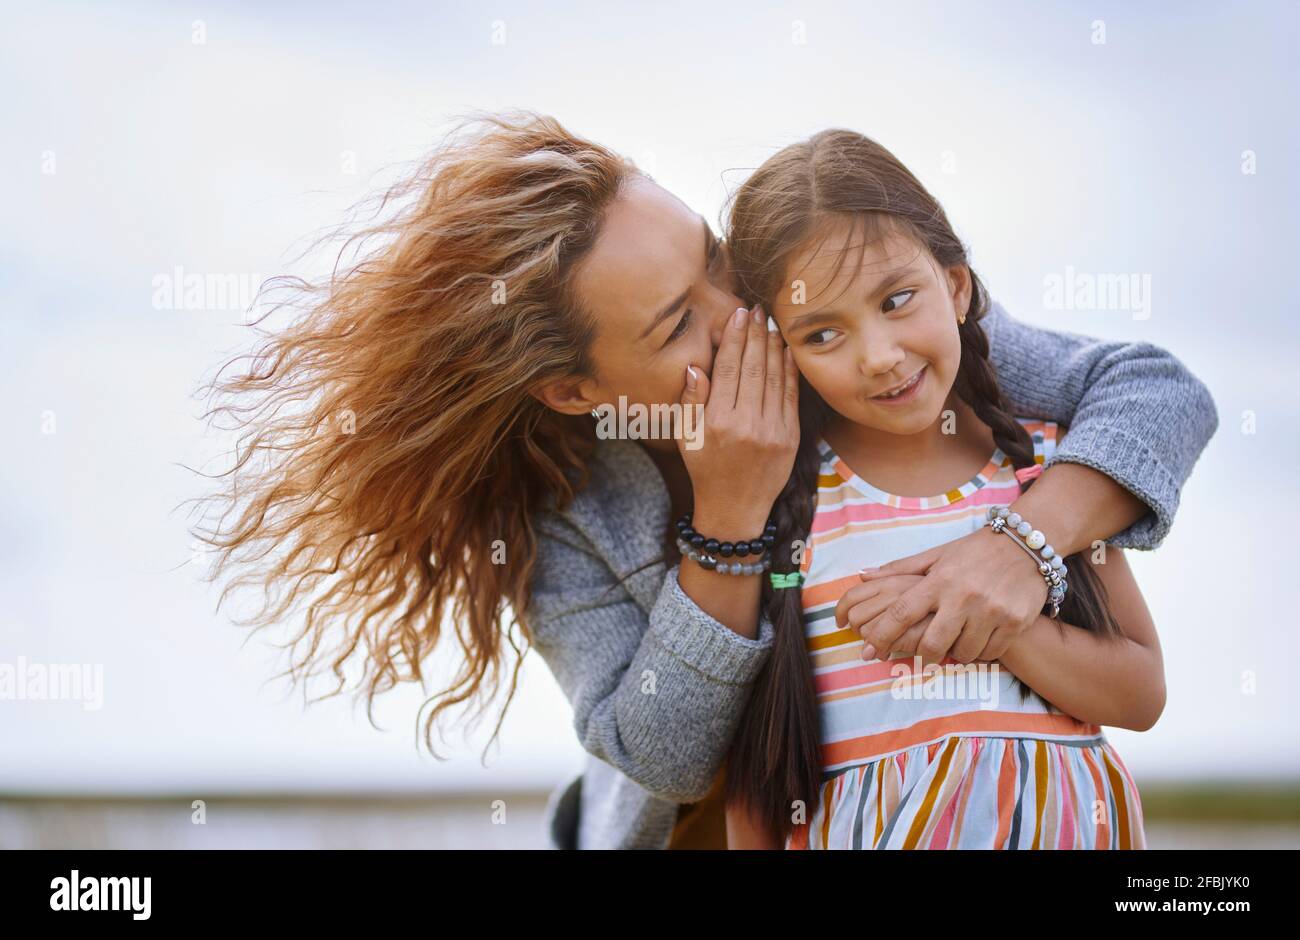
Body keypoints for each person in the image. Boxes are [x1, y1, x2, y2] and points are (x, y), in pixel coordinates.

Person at [193, 111, 1216, 850]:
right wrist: (727, 519)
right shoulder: (567, 513)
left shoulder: (848, 342)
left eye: (713, 261)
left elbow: (1153, 393)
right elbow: (663, 751)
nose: (742, 317)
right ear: (572, 387)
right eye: (677, 321)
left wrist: (1020, 546)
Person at [721, 128, 1167, 848]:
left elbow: (1140, 692)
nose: (879, 356)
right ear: (780, 349)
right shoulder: (787, 509)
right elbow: (759, 781)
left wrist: (1000, 627)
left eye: (897, 299)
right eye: (823, 335)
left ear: (956, 285)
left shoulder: (1050, 469)